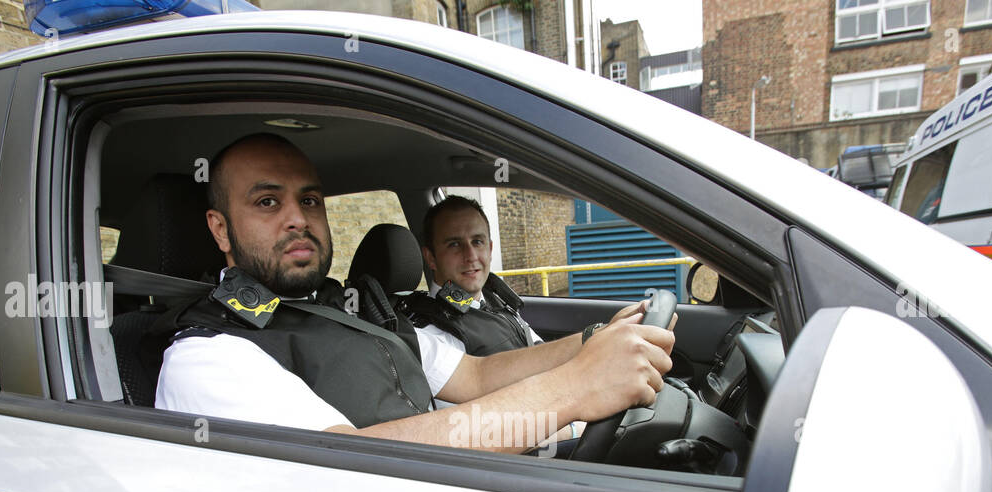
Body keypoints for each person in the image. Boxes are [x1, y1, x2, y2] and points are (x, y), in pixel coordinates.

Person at [155, 133, 673, 454]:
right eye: (267, 202)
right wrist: (574, 389)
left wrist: (598, 338)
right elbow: (348, 461)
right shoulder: (206, 354)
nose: (298, 218)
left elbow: (475, 375)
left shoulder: (352, 308)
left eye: (309, 199)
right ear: (220, 230)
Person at [400, 195, 542, 357]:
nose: (471, 255)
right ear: (431, 258)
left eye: (477, 241)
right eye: (454, 244)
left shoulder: (495, 299)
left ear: (490, 249)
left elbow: (537, 347)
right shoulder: (430, 333)